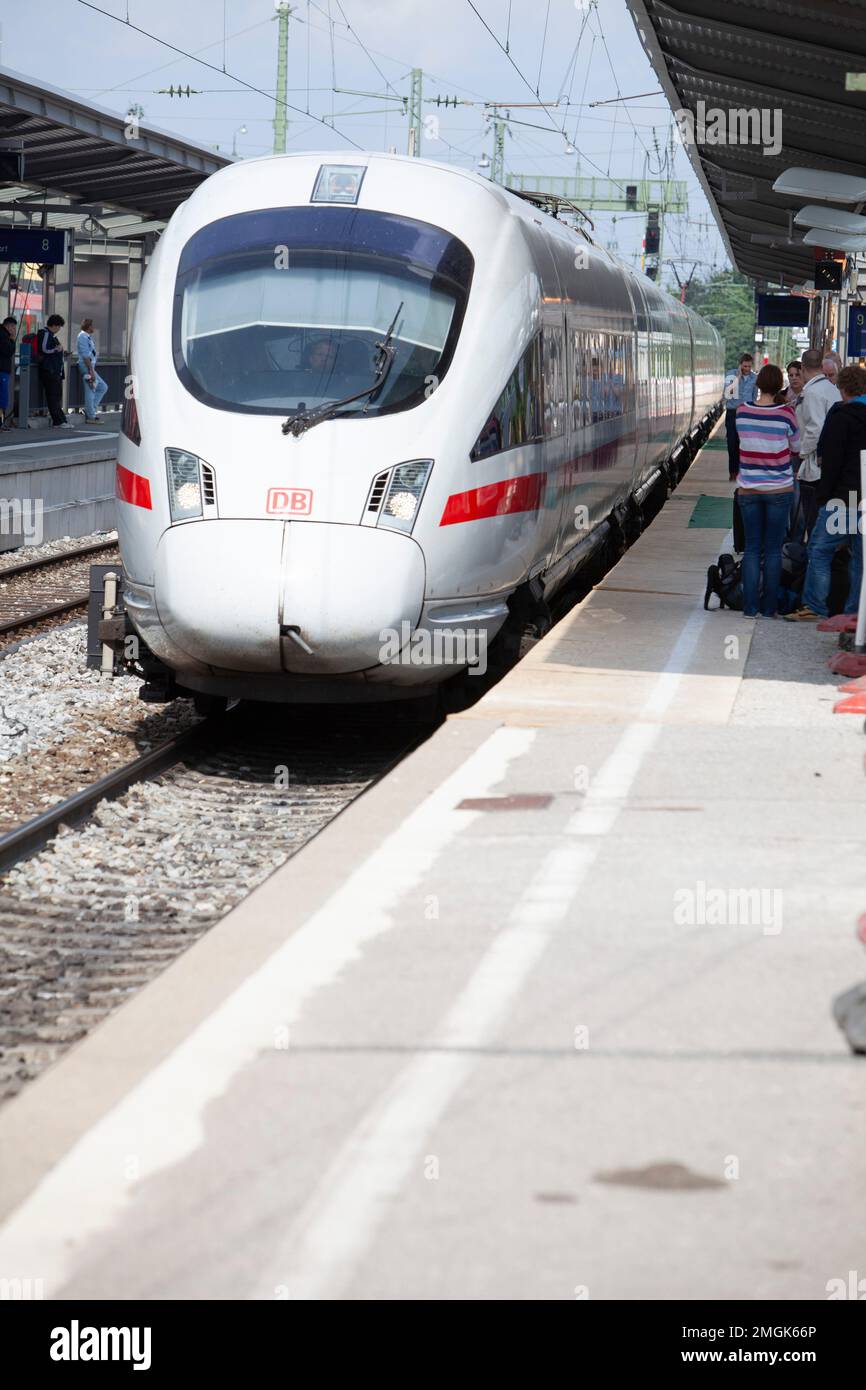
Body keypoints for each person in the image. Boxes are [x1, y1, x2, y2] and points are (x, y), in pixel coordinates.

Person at [785, 364, 866, 622]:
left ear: (842, 389)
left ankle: (815, 607)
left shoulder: (842, 416)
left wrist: (823, 497)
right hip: (864, 499)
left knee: (819, 550)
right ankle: (854, 613)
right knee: (859, 559)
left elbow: (831, 463)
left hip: (843, 499)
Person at [734, 363, 799, 618]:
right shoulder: (786, 413)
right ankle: (769, 607)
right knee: (773, 550)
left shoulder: (742, 412)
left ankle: (749, 608)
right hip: (779, 490)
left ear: (758, 383)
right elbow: (796, 447)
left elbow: (742, 442)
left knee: (751, 548)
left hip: (749, 489)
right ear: (778, 385)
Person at [794, 346, 840, 538]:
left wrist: (801, 451)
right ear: (821, 366)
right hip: (832, 465)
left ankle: (814, 564)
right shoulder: (832, 389)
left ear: (803, 367)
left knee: (814, 526)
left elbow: (815, 429)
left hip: (814, 469)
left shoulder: (811, 393)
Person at [723, 352, 757, 481]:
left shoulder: (755, 378)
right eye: (744, 366)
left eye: (748, 367)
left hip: (747, 413)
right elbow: (727, 395)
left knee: (745, 443)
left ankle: (743, 472)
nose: (746, 369)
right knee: (732, 443)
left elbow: (754, 397)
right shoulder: (730, 375)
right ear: (740, 365)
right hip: (732, 413)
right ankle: (733, 472)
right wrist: (737, 379)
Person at [38, 314, 71, 428]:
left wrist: (61, 351)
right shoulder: (46, 333)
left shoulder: (50, 335)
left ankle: (62, 420)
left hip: (55, 370)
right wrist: (56, 349)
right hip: (50, 370)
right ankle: (58, 421)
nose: (59, 329)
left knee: (56, 396)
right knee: (53, 396)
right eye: (59, 327)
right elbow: (44, 349)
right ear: (54, 325)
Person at [76, 317, 108, 423]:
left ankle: (90, 410)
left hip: (90, 366)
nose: (94, 328)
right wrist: (91, 371)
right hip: (87, 366)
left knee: (101, 387)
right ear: (89, 327)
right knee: (91, 389)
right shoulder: (82, 337)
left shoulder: (87, 337)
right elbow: (86, 356)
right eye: (92, 326)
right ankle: (91, 416)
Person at [0, 316, 16, 428]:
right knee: (2, 397)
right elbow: (8, 351)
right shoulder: (4, 336)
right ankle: (1, 423)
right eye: (13, 327)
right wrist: (12, 340)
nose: (14, 330)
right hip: (2, 370)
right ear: (8, 326)